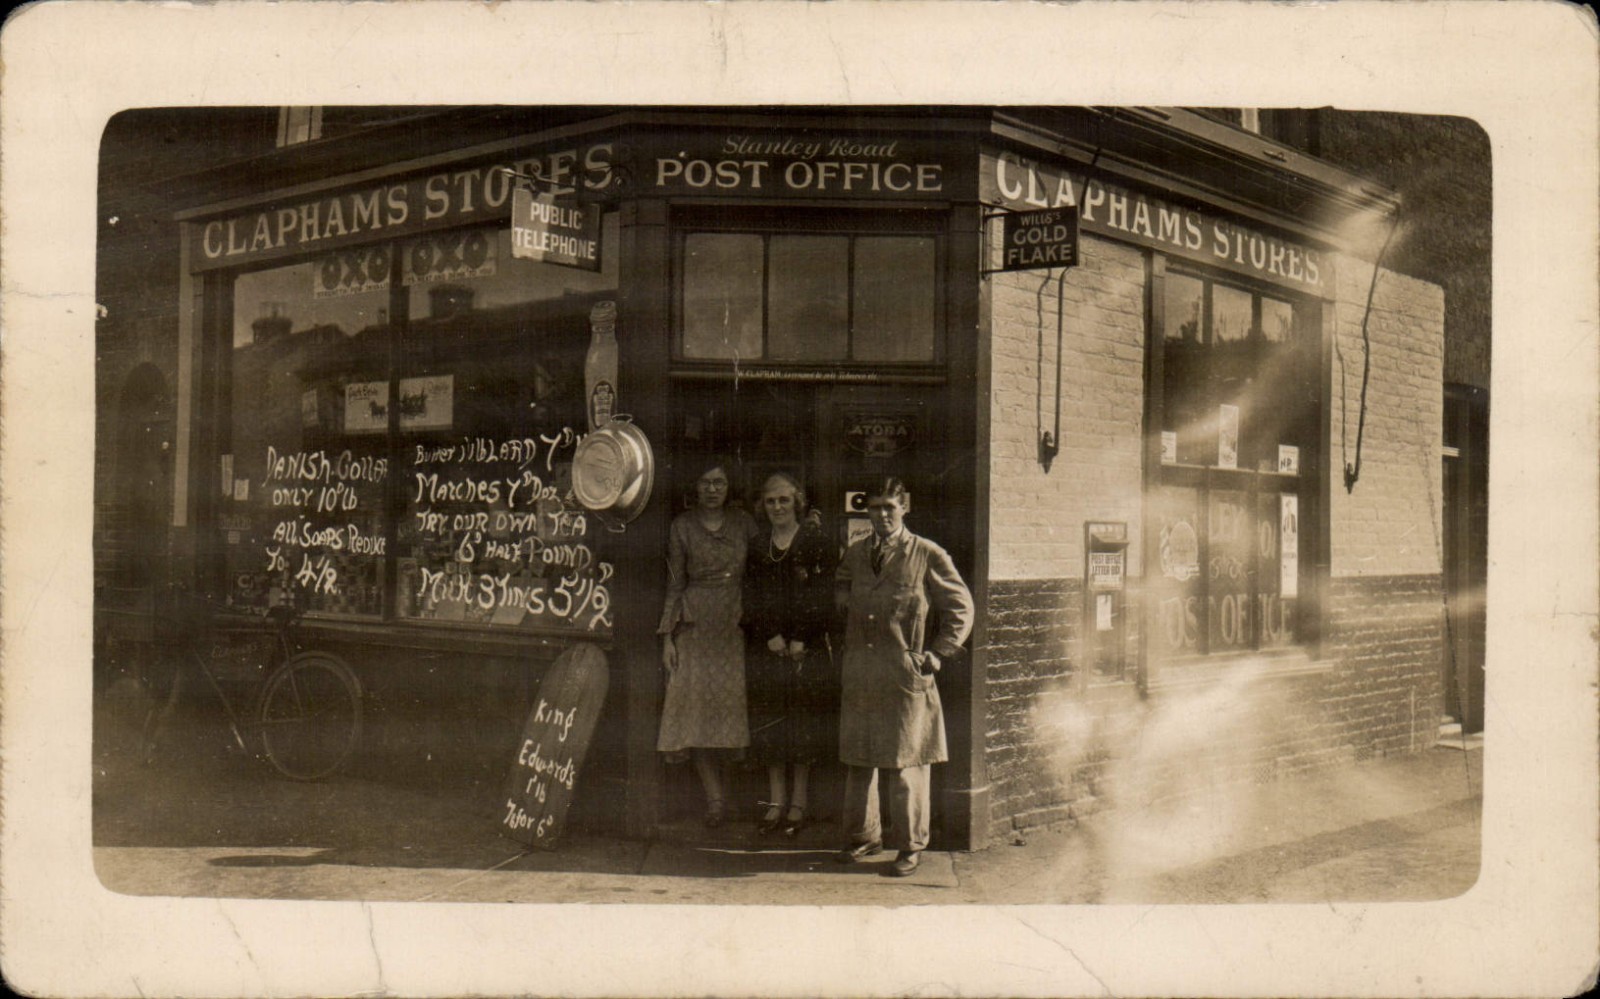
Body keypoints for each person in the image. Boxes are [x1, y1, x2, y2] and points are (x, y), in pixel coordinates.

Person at [833, 476, 973, 877]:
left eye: (889, 507)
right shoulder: (857, 553)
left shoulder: (927, 553)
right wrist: (846, 608)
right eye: (874, 507)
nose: (881, 515)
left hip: (904, 673)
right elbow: (842, 585)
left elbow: (961, 606)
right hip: (861, 671)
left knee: (906, 763)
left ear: (904, 507)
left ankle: (910, 846)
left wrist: (939, 653)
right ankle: (864, 837)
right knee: (860, 761)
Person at [657, 457, 760, 828]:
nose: (712, 489)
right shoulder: (681, 526)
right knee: (696, 714)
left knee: (732, 713)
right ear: (695, 487)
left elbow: (765, 569)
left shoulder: (745, 523)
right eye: (705, 482)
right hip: (695, 626)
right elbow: (675, 584)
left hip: (735, 623)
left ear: (729, 487)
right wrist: (667, 638)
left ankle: (733, 796)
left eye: (719, 482)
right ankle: (715, 800)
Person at [741, 472, 838, 839]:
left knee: (803, 725)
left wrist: (800, 638)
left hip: (805, 649)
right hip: (768, 648)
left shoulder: (816, 541)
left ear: (797, 501)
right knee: (771, 725)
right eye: (770, 501)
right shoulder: (757, 544)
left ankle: (798, 802)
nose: (777, 507)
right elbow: (750, 596)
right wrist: (770, 636)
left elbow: (822, 596)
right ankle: (775, 802)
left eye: (784, 500)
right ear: (762, 506)